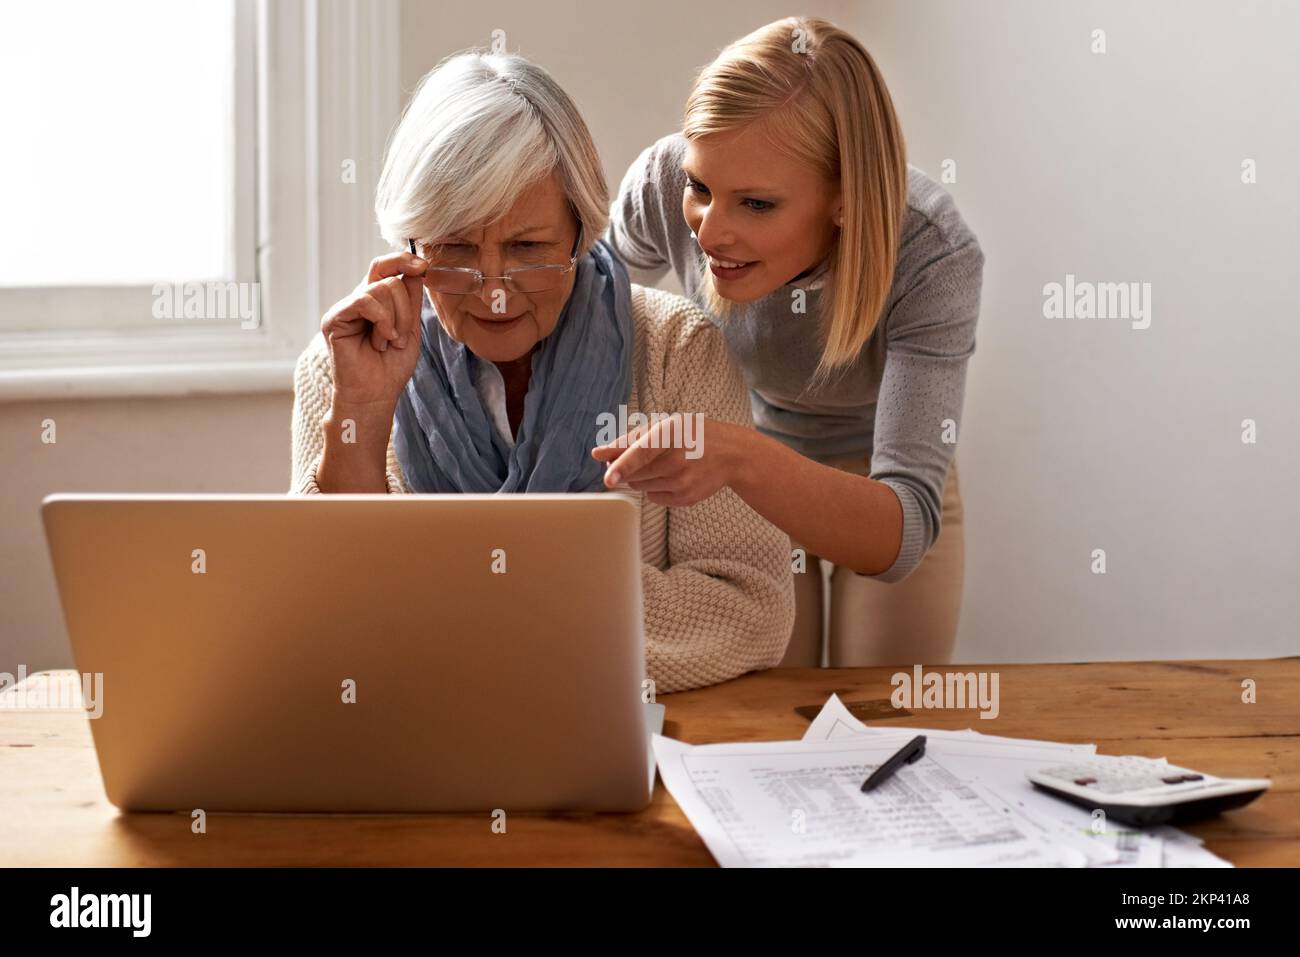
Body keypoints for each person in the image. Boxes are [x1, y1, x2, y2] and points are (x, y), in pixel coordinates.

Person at [289, 50, 794, 694]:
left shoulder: (678, 351)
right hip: (414, 737)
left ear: (581, 234)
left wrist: (468, 610)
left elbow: (749, 611)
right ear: (409, 249)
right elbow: (320, 617)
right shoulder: (342, 366)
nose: (495, 292)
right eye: (456, 250)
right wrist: (360, 413)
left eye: (528, 249)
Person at [599, 16, 983, 667]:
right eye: (701, 189)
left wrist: (741, 457)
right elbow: (576, 314)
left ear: (843, 198)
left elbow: (904, 527)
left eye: (756, 204)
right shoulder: (663, 186)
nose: (710, 233)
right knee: (766, 721)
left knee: (888, 721)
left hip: (881, 482)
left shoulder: (930, 250)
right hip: (747, 469)